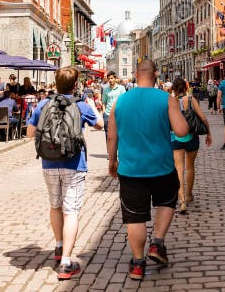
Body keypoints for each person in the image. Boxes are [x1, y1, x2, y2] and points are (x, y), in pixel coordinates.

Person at [107, 60, 188, 281]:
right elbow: (182, 131)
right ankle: (157, 243)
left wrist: (112, 160)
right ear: (156, 74)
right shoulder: (166, 99)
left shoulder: (121, 101)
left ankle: (137, 263)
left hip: (131, 169)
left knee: (135, 218)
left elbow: (112, 135)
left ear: (135, 73)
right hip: (161, 166)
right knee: (166, 202)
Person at [26, 66, 103, 281]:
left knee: (55, 206)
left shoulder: (44, 104)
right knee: (71, 211)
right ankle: (66, 262)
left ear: (56, 84)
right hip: (74, 163)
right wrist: (91, 104)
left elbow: (30, 133)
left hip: (49, 163)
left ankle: (59, 246)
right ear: (76, 85)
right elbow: (100, 124)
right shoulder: (79, 105)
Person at [170, 78, 212, 214]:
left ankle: (181, 201)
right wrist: (208, 132)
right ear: (186, 87)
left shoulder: (171, 102)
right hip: (192, 137)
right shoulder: (191, 99)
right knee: (190, 167)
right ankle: (188, 195)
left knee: (178, 169)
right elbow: (202, 117)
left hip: (176, 137)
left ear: (174, 89)